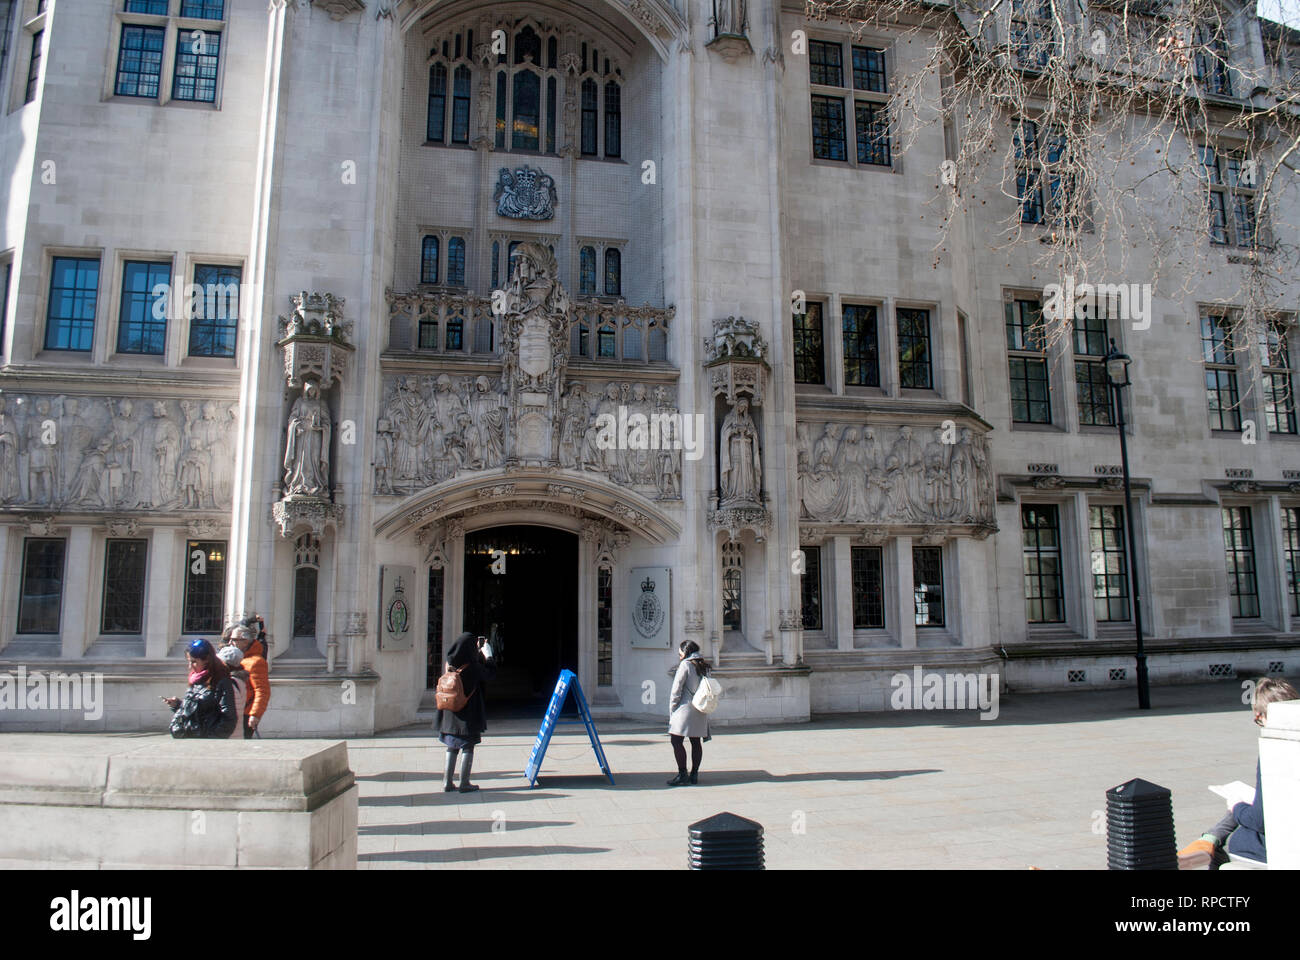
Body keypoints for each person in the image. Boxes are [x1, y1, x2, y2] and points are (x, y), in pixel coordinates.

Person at [1178, 676, 1298, 869]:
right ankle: (1208, 841)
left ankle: (1206, 844)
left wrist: (1237, 807)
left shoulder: (1275, 751)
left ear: (1264, 715)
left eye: (1258, 719)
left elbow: (1259, 820)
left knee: (1237, 814)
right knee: (1242, 807)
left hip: (1282, 846)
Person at [436, 632, 496, 793]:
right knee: (468, 746)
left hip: (449, 712)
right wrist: (488, 656)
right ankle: (464, 782)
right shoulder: (472, 667)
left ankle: (447, 782)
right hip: (467, 713)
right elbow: (490, 675)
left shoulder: (449, 663)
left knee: (452, 746)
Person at [164, 639, 238, 739]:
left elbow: (229, 717)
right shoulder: (195, 680)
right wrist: (178, 705)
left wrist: (212, 738)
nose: (190, 667)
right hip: (189, 737)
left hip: (206, 740)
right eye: (189, 662)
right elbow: (195, 711)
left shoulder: (221, 681)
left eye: (194, 662)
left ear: (206, 660)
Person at [667, 639, 711, 786]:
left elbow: (676, 690)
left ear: (686, 652)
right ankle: (694, 774)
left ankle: (682, 774)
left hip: (685, 708)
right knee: (695, 741)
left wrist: (672, 710)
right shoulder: (703, 665)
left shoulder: (685, 665)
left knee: (676, 740)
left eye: (680, 654)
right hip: (700, 708)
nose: (680, 657)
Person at [230, 620, 270, 738]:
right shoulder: (237, 658)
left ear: (245, 641)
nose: (231, 643)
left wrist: (255, 714)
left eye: (234, 640)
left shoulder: (256, 662)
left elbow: (262, 691)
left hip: (245, 713)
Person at [217, 645, 248, 740]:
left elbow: (230, 712)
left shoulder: (229, 684)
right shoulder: (240, 682)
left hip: (228, 736)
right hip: (237, 735)